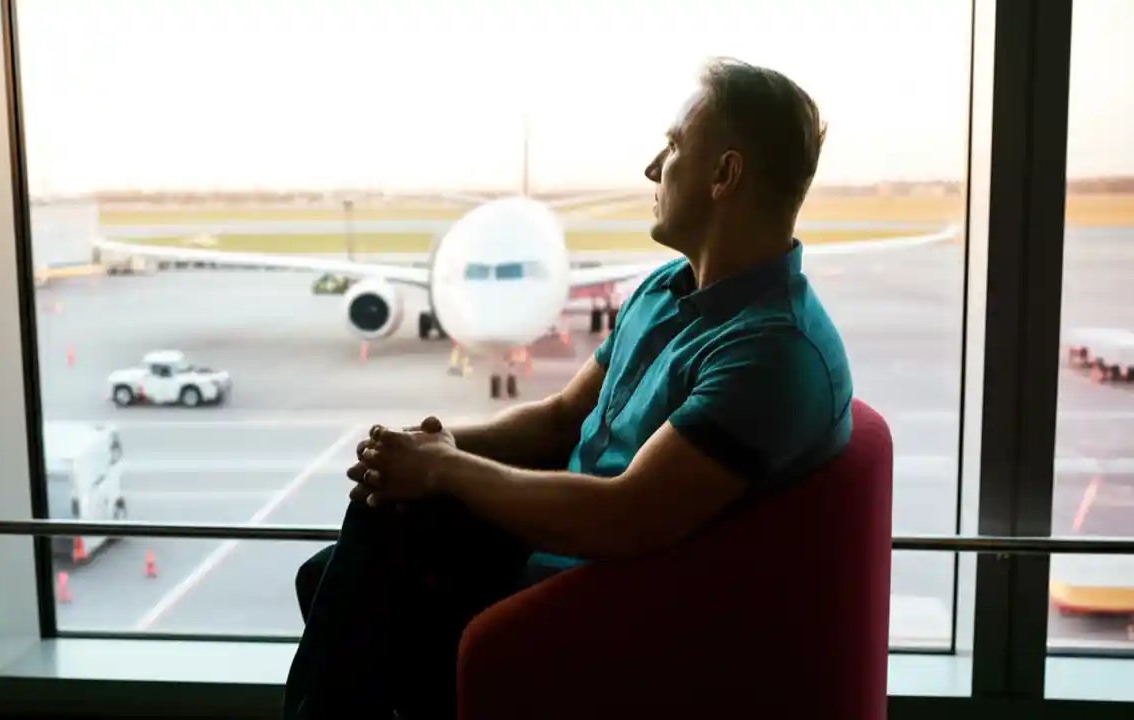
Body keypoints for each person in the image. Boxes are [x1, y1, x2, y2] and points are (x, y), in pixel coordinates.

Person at [283, 57, 853, 720]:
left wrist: (444, 470)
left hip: (617, 597)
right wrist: (433, 446)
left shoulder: (770, 352)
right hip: (564, 547)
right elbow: (560, 420)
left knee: (358, 589)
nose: (651, 169)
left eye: (672, 148)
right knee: (360, 542)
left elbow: (624, 518)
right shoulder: (666, 289)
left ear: (724, 175)